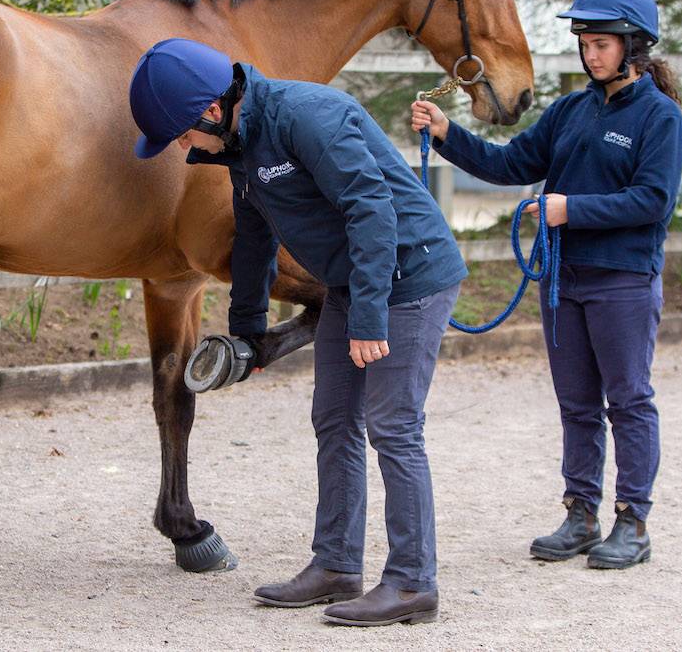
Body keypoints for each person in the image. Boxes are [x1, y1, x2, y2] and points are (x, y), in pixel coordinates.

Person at [129, 38, 466, 625]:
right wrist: (248, 336)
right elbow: (255, 237)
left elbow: (371, 206)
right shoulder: (239, 143)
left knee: (393, 425)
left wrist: (367, 317)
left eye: (181, 134)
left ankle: (413, 582)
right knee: (334, 417)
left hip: (410, 275)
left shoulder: (308, 115)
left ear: (211, 110)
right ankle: (336, 565)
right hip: (351, 282)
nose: (181, 148)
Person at [410, 0, 682, 569]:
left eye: (602, 43)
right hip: (562, 278)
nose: (591, 53)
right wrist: (446, 133)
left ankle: (633, 522)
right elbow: (510, 162)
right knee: (577, 403)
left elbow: (653, 201)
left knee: (629, 400)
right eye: (585, 42)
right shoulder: (570, 111)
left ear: (634, 46)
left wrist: (571, 210)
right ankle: (581, 513)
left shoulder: (660, 118)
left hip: (622, 279)